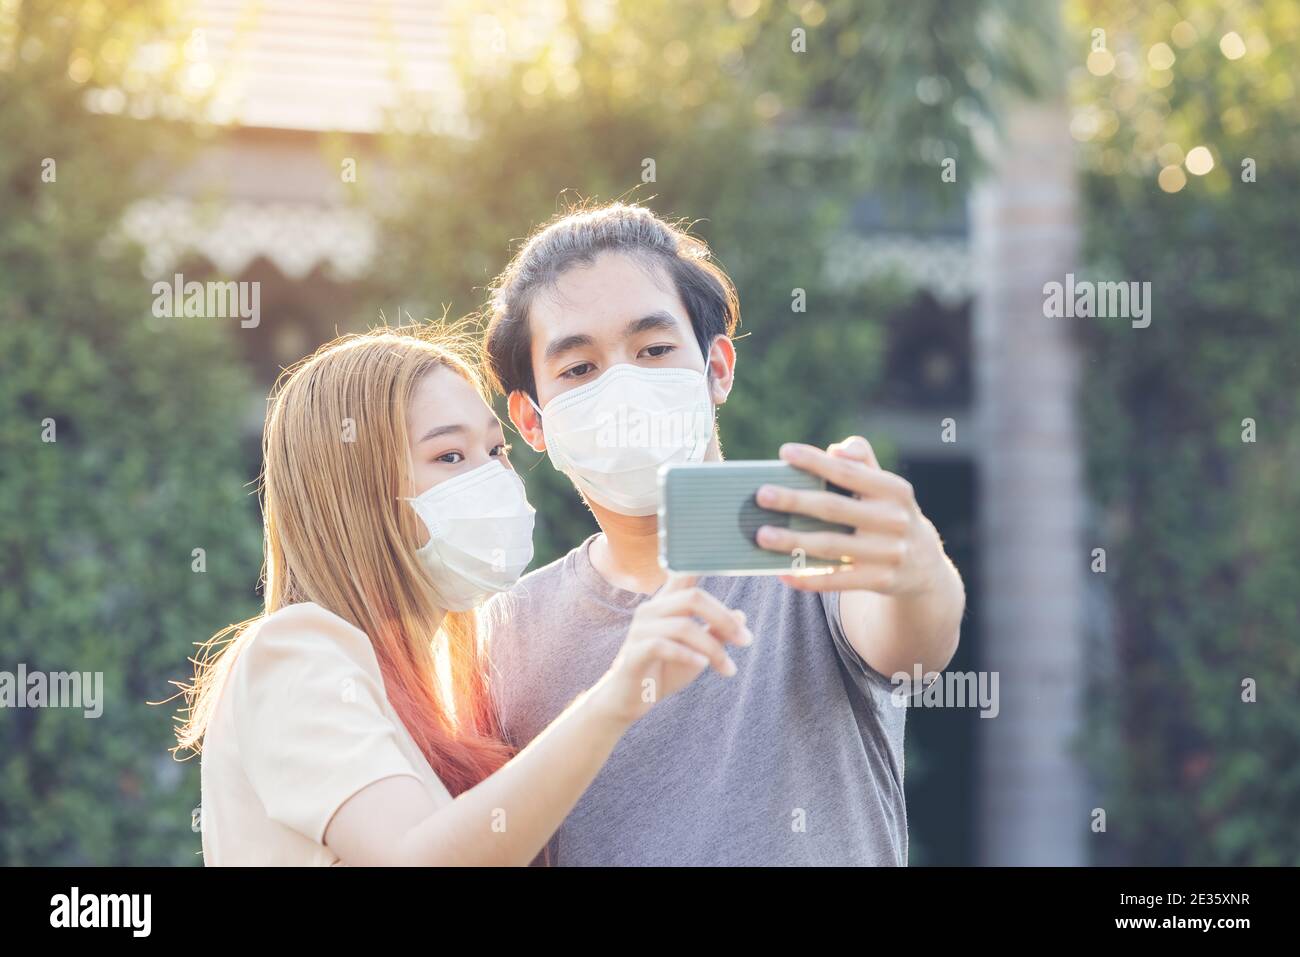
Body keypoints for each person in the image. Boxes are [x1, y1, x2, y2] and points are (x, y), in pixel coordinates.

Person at [481, 202, 966, 865]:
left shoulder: (811, 544)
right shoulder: (505, 633)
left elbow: (915, 640)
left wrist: (917, 568)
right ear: (531, 421)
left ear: (717, 369)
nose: (623, 385)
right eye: (579, 368)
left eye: (653, 349)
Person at [175, 326, 749, 866]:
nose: (493, 478)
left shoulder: (444, 686)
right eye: (450, 456)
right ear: (357, 492)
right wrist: (613, 700)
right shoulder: (296, 652)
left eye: (496, 453)